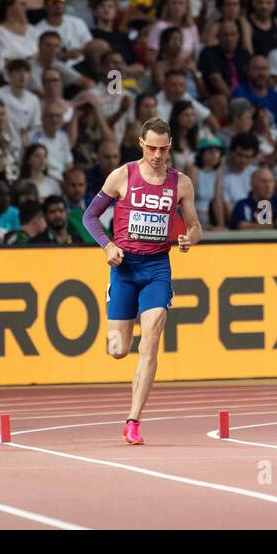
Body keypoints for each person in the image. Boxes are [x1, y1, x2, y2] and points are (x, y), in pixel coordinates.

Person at [80, 117, 203, 444]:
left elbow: (195, 225)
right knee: (119, 349)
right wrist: (107, 246)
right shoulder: (122, 175)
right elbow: (89, 216)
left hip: (157, 268)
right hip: (124, 268)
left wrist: (190, 238)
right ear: (140, 144)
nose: (158, 155)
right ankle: (121, 322)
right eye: (151, 148)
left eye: (163, 148)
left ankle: (133, 420)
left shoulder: (181, 183)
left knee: (151, 340)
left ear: (170, 146)